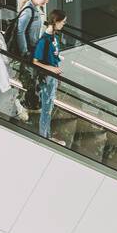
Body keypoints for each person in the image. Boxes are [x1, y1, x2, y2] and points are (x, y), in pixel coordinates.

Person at [12, 0, 52, 121]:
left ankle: (30, 103)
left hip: (34, 49)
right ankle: (20, 104)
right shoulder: (28, 10)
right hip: (28, 51)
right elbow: (20, 31)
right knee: (29, 78)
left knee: (34, 78)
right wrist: (25, 52)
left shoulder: (35, 8)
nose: (46, 2)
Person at [32, 10, 67, 139]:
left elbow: (53, 54)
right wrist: (51, 69)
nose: (64, 24)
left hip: (52, 77)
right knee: (46, 109)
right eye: (62, 22)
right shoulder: (44, 41)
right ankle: (44, 136)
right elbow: (35, 62)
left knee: (50, 107)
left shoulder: (54, 37)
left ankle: (47, 134)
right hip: (46, 78)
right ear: (56, 22)